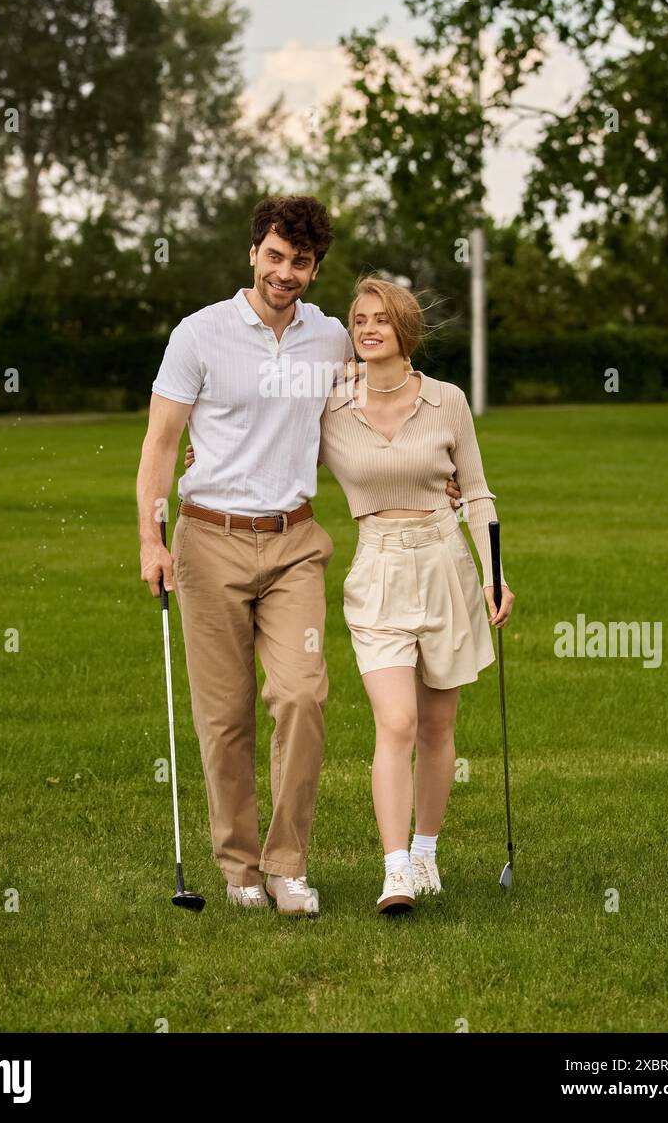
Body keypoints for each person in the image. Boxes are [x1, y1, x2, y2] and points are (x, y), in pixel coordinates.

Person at [137, 197, 464, 917]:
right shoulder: (199, 335)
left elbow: (379, 396)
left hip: (294, 544)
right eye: (276, 256)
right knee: (225, 718)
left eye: (302, 262)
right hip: (207, 539)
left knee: (302, 695)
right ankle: (239, 866)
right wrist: (150, 540)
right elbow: (162, 444)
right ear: (254, 253)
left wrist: (427, 463)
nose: (286, 273)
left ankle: (287, 864)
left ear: (316, 269)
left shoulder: (328, 341)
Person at [317, 277, 514, 913]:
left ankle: (426, 851)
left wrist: (493, 572)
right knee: (395, 720)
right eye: (359, 319)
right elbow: (273, 454)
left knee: (437, 723)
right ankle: (394, 868)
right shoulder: (330, 403)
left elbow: (477, 491)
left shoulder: (448, 401)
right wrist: (203, 460)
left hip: (446, 565)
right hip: (376, 570)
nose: (367, 328)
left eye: (381, 319)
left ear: (407, 330)